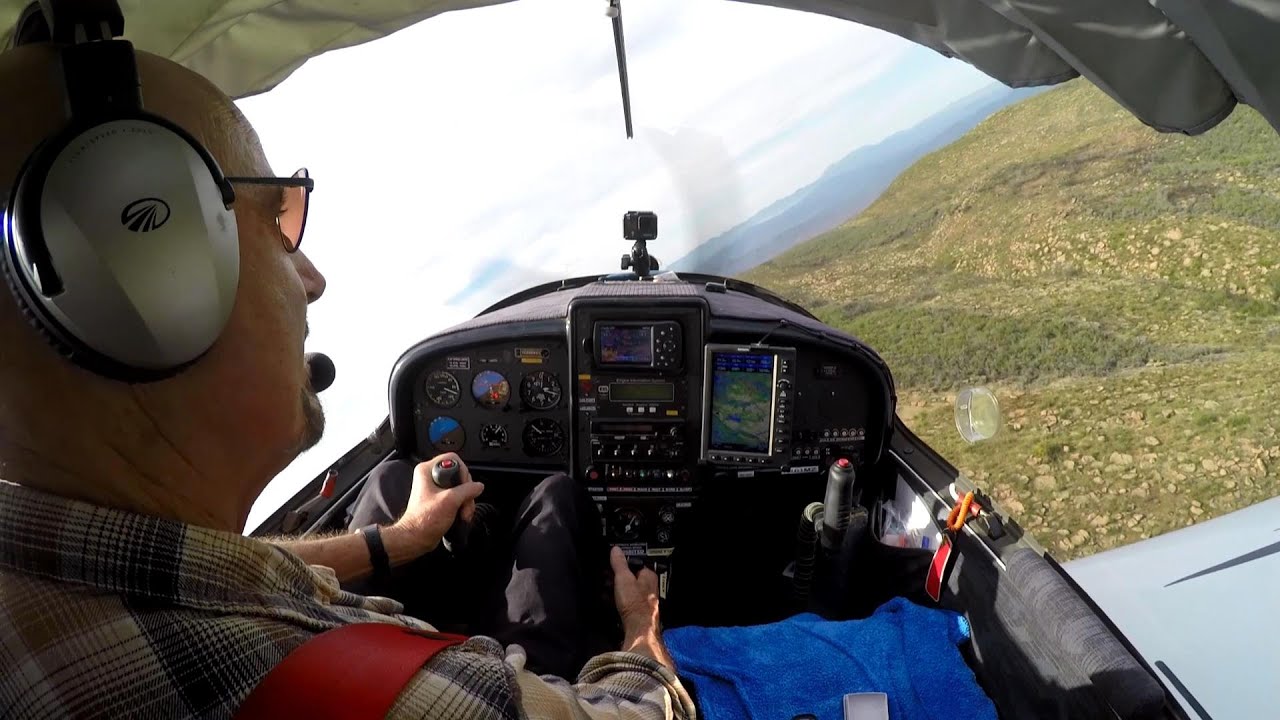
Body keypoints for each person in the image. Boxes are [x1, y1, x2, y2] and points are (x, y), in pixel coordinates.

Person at [0, 39, 693, 720]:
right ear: (153, 273)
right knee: (554, 498)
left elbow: (216, 565)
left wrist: (400, 539)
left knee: (395, 481)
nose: (312, 280)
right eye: (278, 217)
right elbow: (644, 713)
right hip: (512, 669)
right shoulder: (337, 690)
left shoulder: (41, 588)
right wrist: (640, 633)